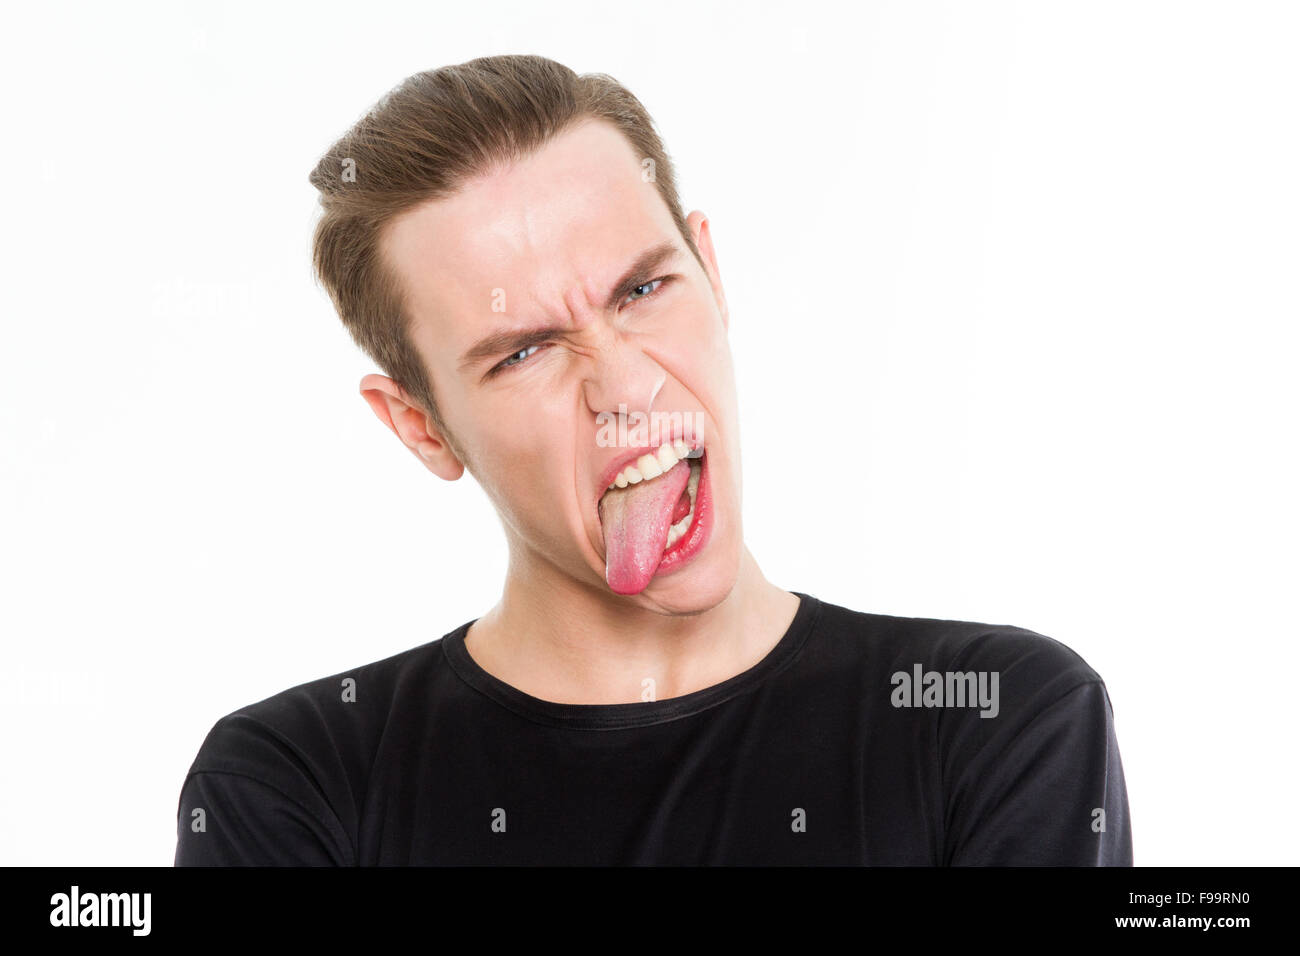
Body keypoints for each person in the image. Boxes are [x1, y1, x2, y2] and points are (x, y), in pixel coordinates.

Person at [174, 54, 1132, 866]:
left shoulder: (999, 719)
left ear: (711, 273)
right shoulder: (294, 784)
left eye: (641, 288)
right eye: (524, 351)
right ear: (421, 426)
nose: (625, 387)